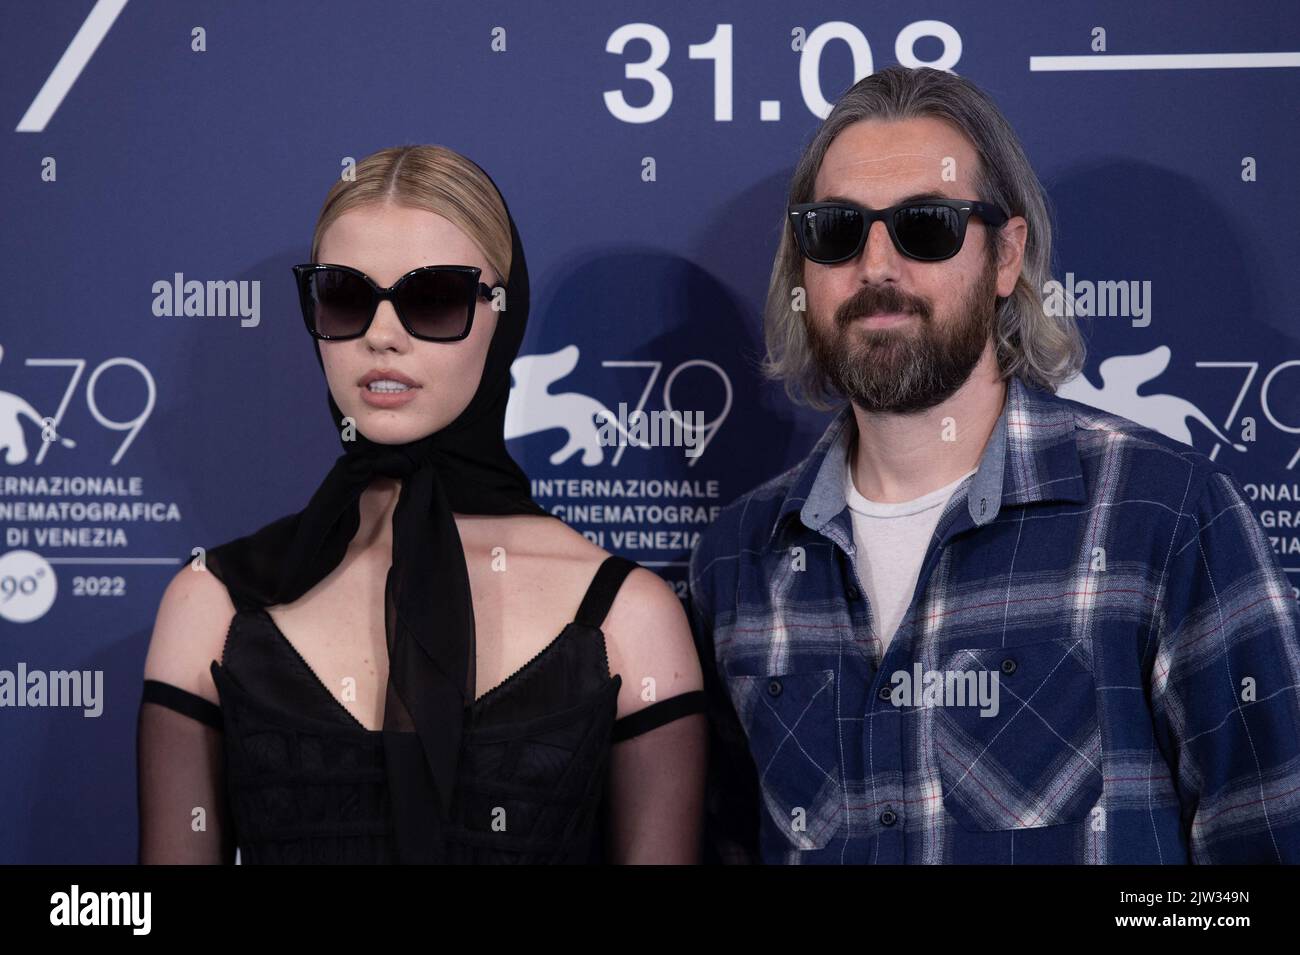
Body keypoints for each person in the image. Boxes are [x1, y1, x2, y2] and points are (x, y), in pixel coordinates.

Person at [688, 66, 1300, 864]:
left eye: (927, 226)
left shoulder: (1165, 516)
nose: (876, 266)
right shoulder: (737, 558)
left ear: (1006, 256)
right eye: (837, 229)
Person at [137, 144, 706, 864]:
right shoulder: (210, 603)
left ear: (506, 312)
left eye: (432, 297)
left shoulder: (629, 614)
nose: (381, 334)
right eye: (345, 294)